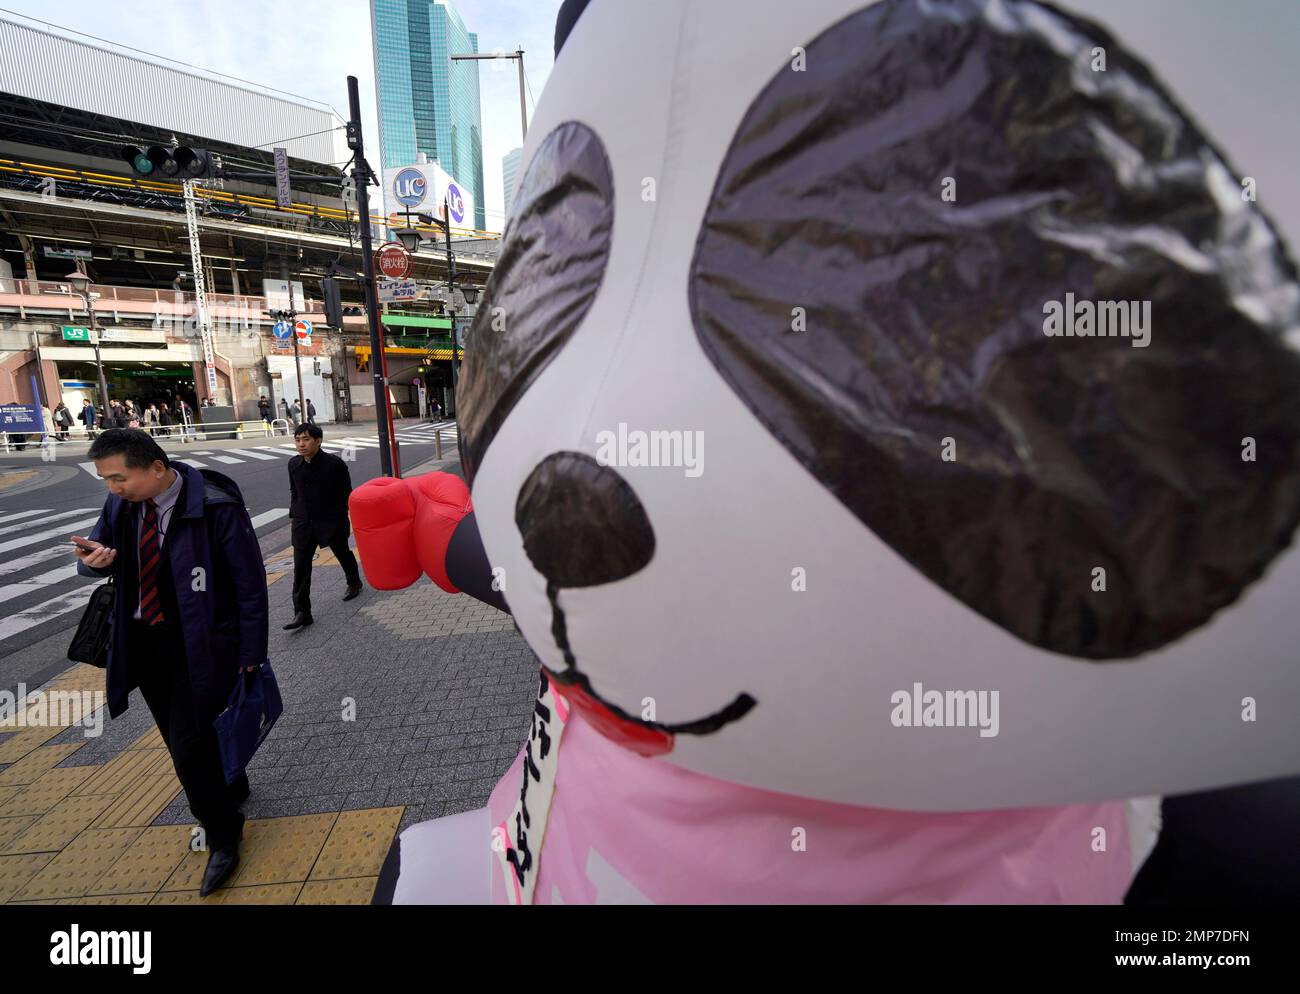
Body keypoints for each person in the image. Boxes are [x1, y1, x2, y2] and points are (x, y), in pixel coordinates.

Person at [71, 429, 267, 897]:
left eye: (119, 477)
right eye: (105, 479)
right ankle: (230, 784)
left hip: (200, 647)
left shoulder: (215, 506)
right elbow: (97, 553)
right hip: (142, 645)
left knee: (187, 745)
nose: (112, 488)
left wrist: (251, 654)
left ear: (157, 468)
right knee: (189, 736)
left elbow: (250, 584)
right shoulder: (121, 506)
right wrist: (94, 562)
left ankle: (223, 834)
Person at [284, 423, 363, 630]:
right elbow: (294, 492)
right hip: (303, 523)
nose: (301, 444)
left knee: (342, 552)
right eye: (298, 440)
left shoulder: (334, 464)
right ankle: (302, 612)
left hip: (330, 520)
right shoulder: (293, 464)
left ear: (318, 441)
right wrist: (295, 511)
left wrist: (339, 517)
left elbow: (347, 494)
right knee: (300, 566)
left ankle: (354, 581)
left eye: (306, 439)